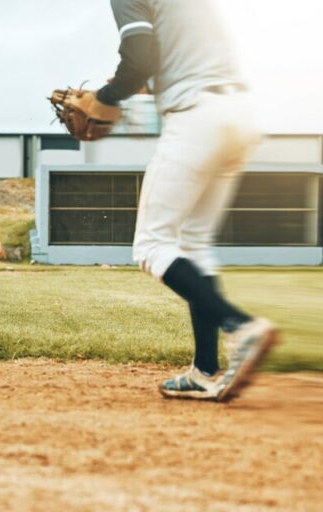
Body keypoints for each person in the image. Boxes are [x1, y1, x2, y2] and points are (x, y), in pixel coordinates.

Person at [91, 0, 277, 401]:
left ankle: (240, 326)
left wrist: (106, 95)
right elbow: (161, 61)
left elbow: (140, 59)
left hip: (196, 116)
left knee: (151, 245)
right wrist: (125, 84)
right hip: (240, 113)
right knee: (193, 245)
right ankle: (205, 370)